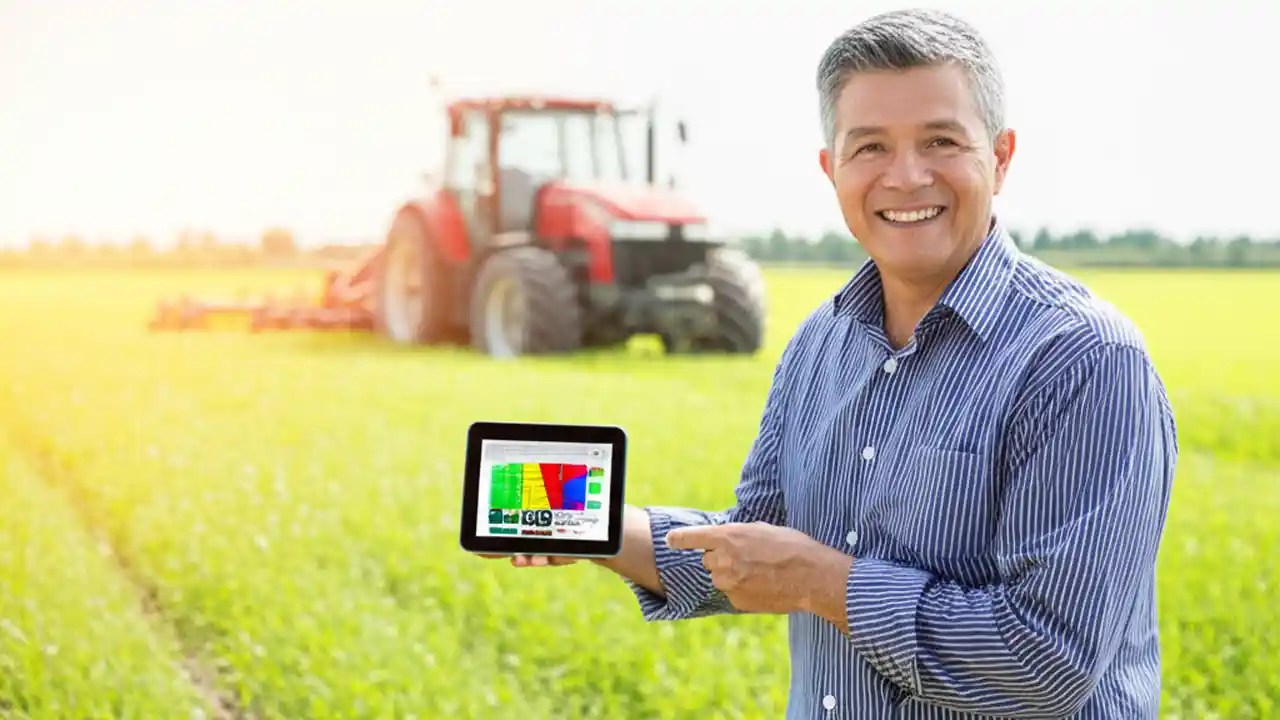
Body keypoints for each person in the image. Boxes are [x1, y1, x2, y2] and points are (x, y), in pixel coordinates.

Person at [489, 8, 1177, 718]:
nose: (906, 177)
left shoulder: (1085, 361)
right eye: (870, 147)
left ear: (1000, 158)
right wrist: (602, 526)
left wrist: (824, 583)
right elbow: (754, 551)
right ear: (832, 168)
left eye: (940, 141)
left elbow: (1049, 659)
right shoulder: (820, 342)